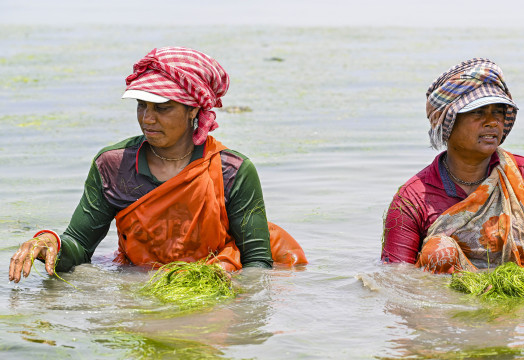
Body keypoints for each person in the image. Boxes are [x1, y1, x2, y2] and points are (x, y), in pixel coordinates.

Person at [9, 47, 306, 283]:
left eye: (163, 108)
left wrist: (224, 296)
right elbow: (80, 246)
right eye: (141, 105)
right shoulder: (113, 165)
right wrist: (51, 243)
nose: (147, 119)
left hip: (214, 285)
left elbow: (257, 264)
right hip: (140, 283)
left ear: (194, 110)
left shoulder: (232, 171)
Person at [381, 58, 524, 274]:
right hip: (444, 306)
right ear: (448, 123)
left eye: (499, 112)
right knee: (439, 251)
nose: (492, 122)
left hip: (516, 301)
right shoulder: (412, 200)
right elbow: (396, 281)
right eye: (478, 112)